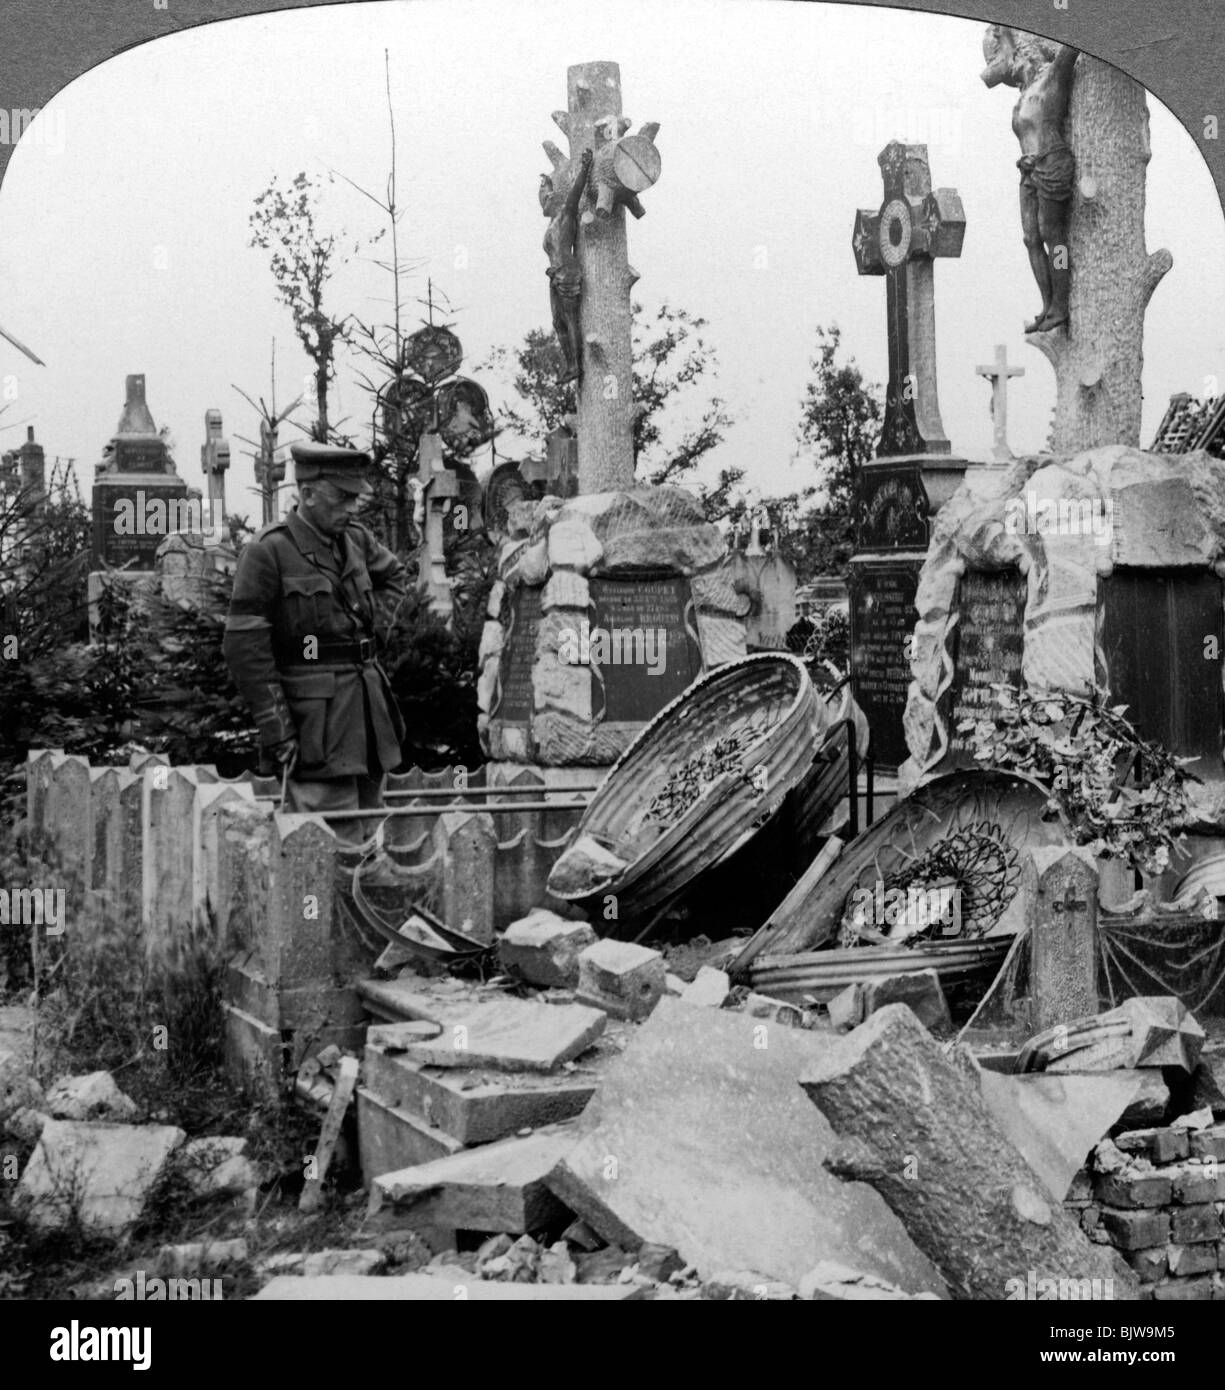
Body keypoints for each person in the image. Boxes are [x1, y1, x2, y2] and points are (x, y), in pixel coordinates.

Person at [223, 442, 406, 839]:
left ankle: (363, 900)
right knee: (326, 844)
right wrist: (278, 728)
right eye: (342, 498)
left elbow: (395, 578)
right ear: (307, 495)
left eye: (355, 498)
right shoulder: (269, 551)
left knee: (372, 838)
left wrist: (370, 630)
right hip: (315, 728)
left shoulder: (355, 540)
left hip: (367, 715)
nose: (352, 508)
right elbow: (244, 649)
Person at [982, 28, 1080, 332]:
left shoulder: (1051, 79)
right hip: (1027, 169)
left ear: (1029, 55)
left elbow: (1070, 49)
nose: (1014, 69)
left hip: (1050, 160)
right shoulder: (1023, 94)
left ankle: (1060, 305)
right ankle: (1046, 303)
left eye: (1018, 61)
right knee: (1031, 239)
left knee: (1054, 236)